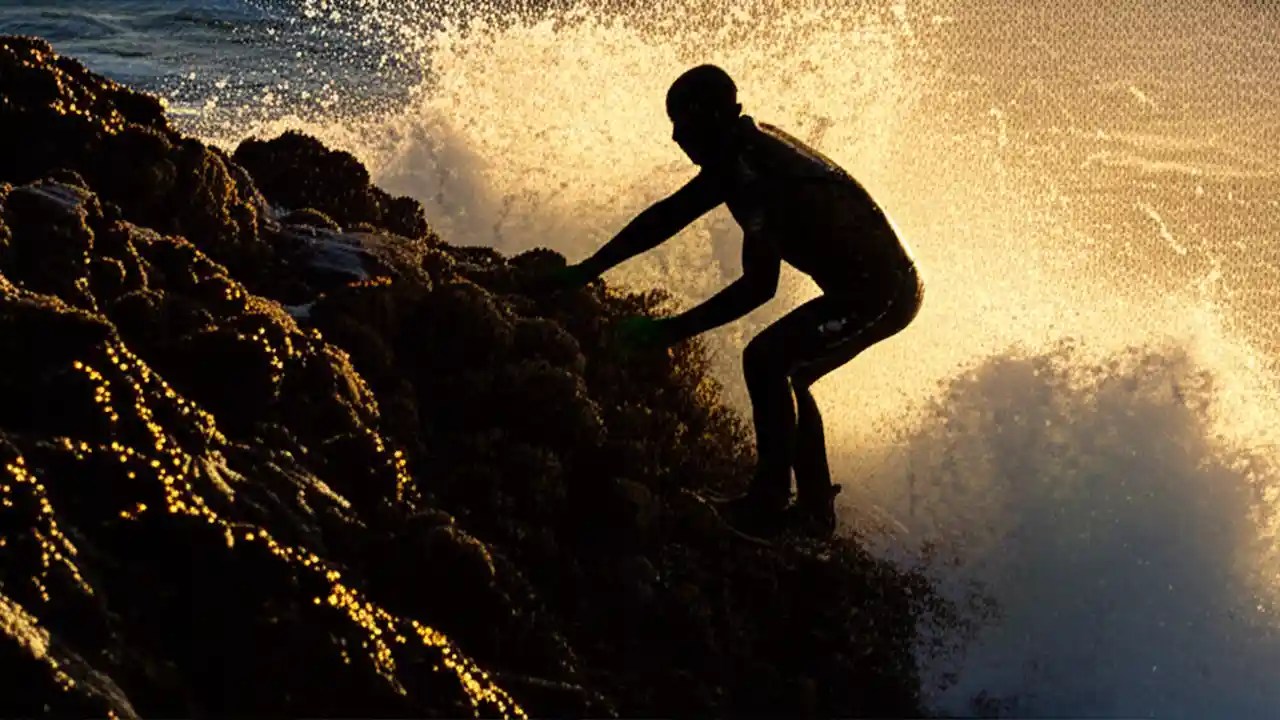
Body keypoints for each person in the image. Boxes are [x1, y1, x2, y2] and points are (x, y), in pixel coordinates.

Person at [551, 64, 924, 538]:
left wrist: (659, 324)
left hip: (886, 290)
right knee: (793, 371)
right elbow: (710, 247)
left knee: (768, 360)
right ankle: (812, 512)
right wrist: (599, 279)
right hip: (880, 285)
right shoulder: (744, 156)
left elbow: (721, 257)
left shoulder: (750, 167)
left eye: (681, 122)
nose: (675, 137)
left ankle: (769, 503)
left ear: (712, 117)